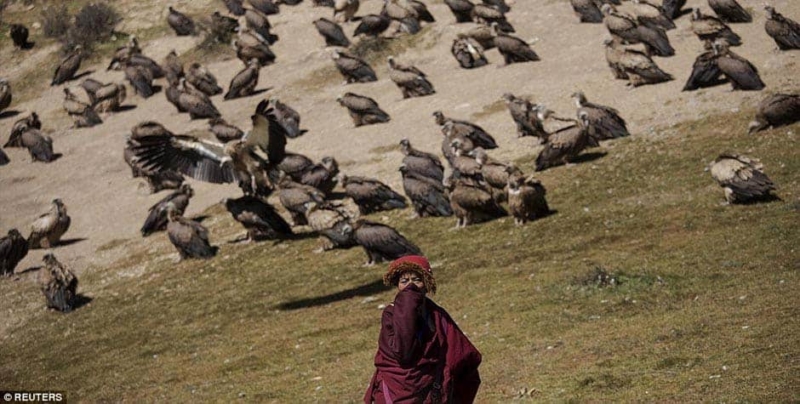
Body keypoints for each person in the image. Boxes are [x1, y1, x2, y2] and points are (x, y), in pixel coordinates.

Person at [364, 255, 482, 403]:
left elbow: (462, 354)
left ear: (426, 284)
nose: (410, 287)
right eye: (404, 281)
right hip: (394, 392)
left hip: (431, 391)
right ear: (397, 285)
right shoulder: (390, 314)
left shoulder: (437, 315)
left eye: (416, 280)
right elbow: (403, 352)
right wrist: (408, 305)